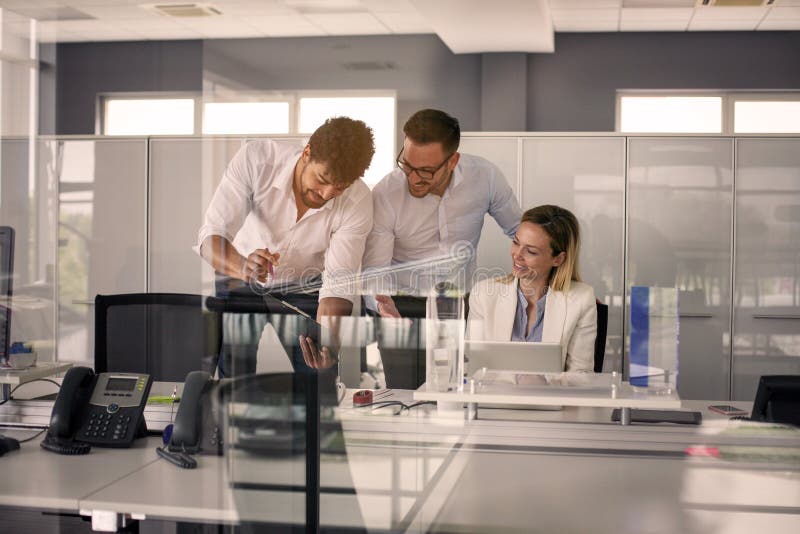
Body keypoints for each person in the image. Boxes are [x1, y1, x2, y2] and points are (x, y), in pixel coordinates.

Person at [197, 117, 375, 372]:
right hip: (242, 275)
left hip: (305, 288)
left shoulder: (357, 200)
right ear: (306, 153)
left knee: (317, 376)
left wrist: (330, 345)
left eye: (338, 188)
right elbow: (211, 236)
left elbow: (338, 281)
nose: (326, 195)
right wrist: (243, 266)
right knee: (235, 378)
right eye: (322, 179)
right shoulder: (257, 160)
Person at [362, 108, 522, 387]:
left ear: (452, 160)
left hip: (460, 306)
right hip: (401, 306)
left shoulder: (485, 177)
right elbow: (375, 266)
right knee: (404, 395)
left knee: (458, 393)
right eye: (407, 165)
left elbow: (521, 232)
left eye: (426, 170)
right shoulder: (387, 193)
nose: (413, 178)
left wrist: (559, 280)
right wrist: (381, 305)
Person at [468, 205, 597, 372]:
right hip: (496, 396)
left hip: (552, 397)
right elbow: (471, 366)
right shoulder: (484, 295)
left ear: (558, 259)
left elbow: (580, 374)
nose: (517, 255)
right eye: (516, 242)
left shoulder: (581, 299)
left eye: (531, 251)